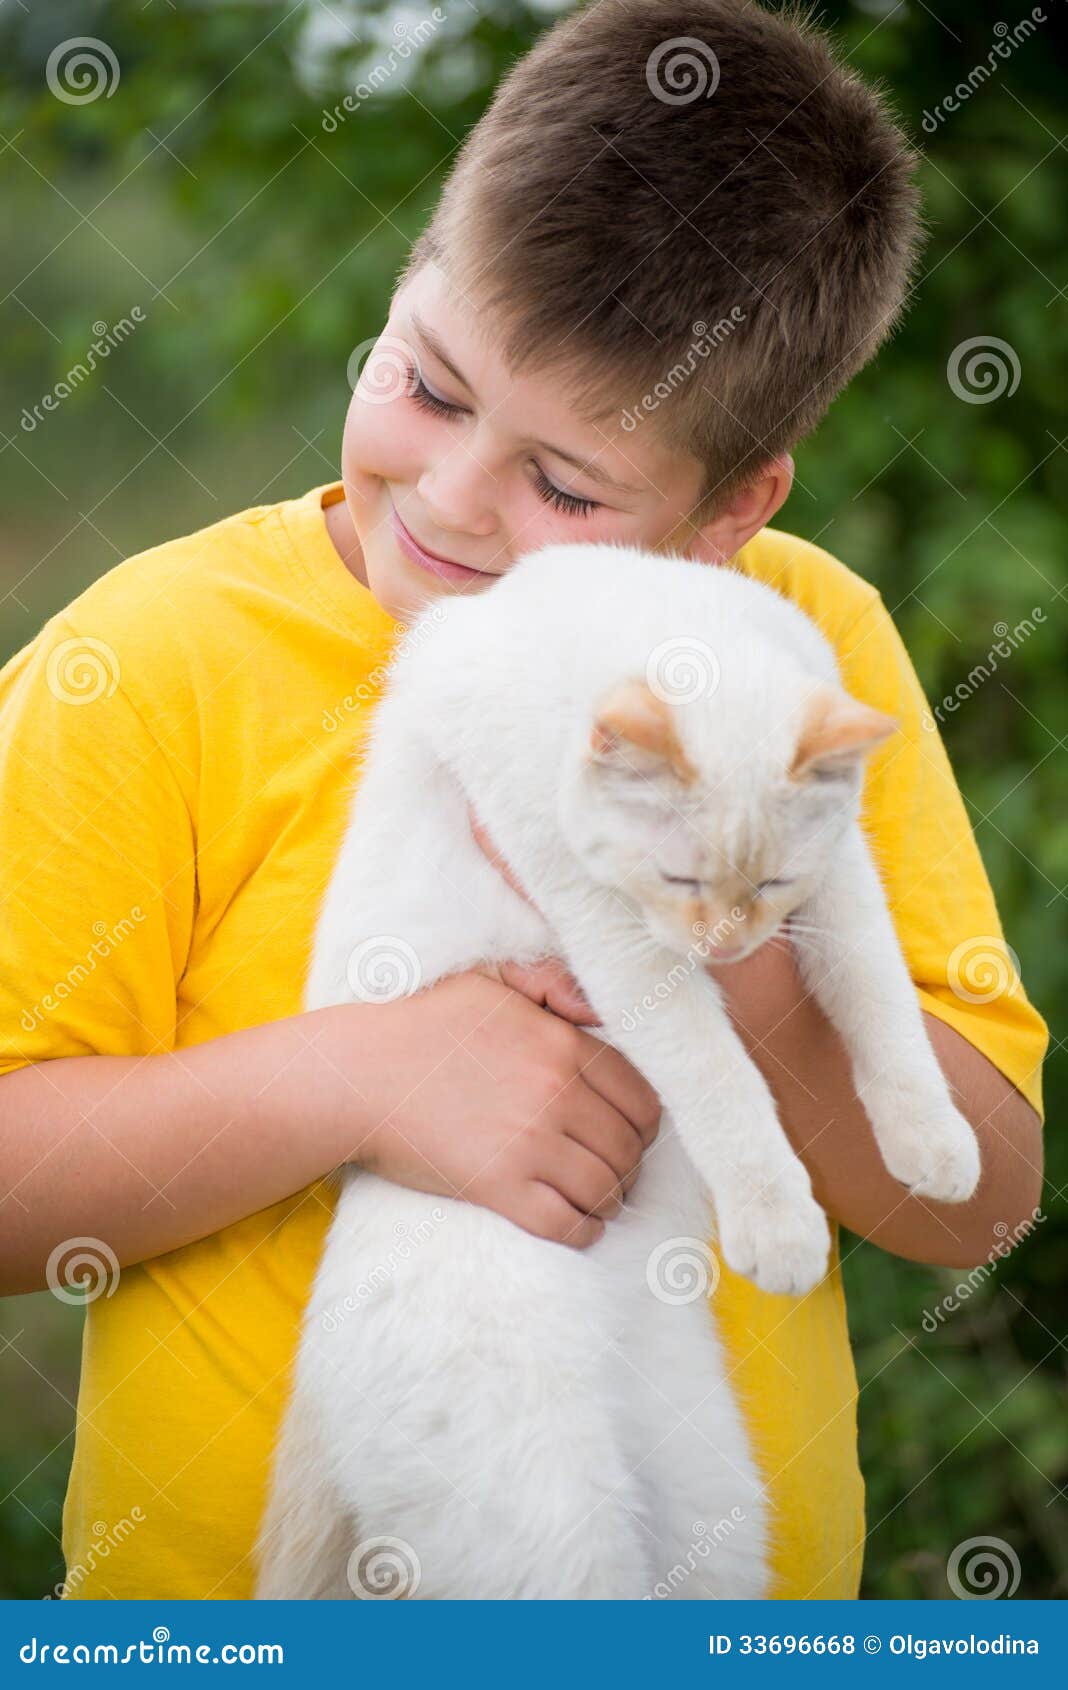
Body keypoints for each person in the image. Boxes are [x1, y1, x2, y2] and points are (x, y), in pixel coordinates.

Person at [0, 0, 1046, 1600]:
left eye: (566, 486)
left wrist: (719, 911)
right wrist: (360, 1077)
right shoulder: (148, 663)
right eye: (425, 383)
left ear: (724, 519)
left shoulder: (799, 649)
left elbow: (974, 1201)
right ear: (406, 281)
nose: (452, 495)